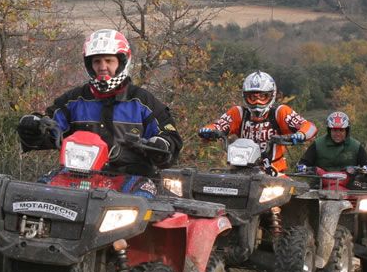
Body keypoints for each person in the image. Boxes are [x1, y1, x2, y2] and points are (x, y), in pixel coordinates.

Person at [16, 28, 182, 195]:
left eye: (109, 61)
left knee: (140, 202)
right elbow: (50, 126)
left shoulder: (143, 101)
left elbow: (170, 137)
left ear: (122, 62)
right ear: (89, 65)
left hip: (132, 178)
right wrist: (33, 127)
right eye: (97, 62)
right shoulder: (74, 100)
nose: (103, 67)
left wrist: (159, 144)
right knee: (37, 194)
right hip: (77, 176)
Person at [197, 71, 317, 173]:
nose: (257, 102)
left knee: (290, 196)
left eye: (263, 96)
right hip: (240, 169)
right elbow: (218, 125)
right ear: (245, 96)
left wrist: (301, 135)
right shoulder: (239, 113)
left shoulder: (279, 112)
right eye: (252, 98)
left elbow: (310, 127)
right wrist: (209, 131)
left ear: (271, 95)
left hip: (274, 172)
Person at [296, 110, 367, 171]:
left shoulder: (356, 146)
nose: (338, 134)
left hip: (349, 185)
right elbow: (304, 162)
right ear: (329, 131)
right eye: (334, 130)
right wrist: (302, 167)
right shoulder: (317, 144)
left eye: (341, 130)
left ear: (346, 131)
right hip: (320, 184)